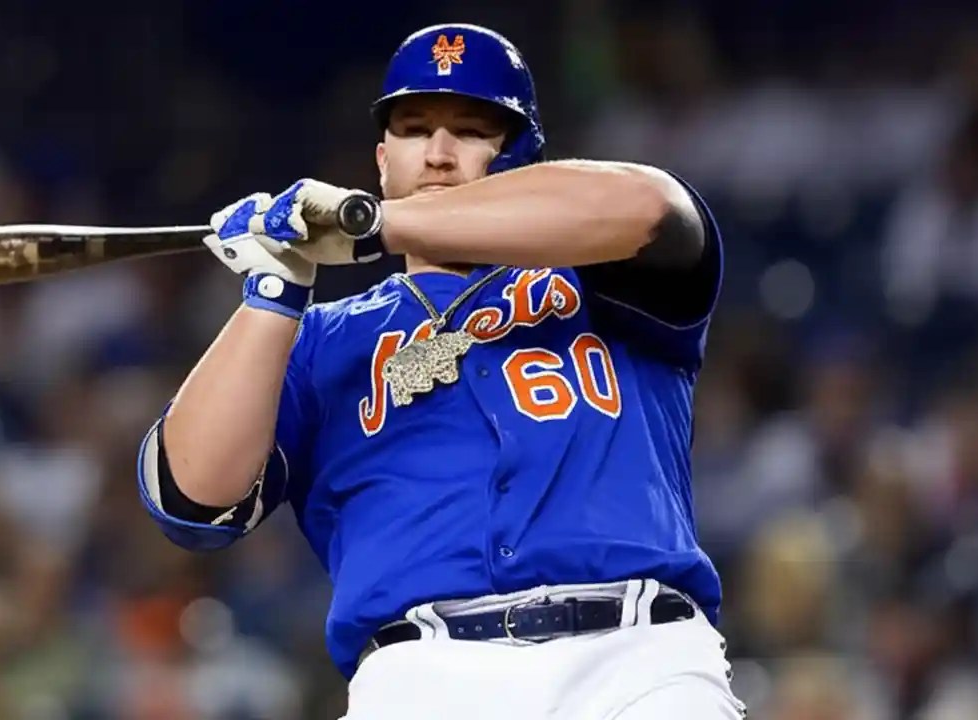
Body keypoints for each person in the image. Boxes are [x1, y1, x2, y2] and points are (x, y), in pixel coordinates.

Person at [137, 23, 744, 719]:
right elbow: (192, 498)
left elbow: (650, 210)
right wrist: (274, 290)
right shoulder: (320, 341)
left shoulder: (603, 279)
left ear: (522, 157)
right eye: (414, 127)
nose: (439, 152)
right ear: (381, 158)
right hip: (422, 675)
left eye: (473, 129)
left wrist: (381, 226)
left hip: (637, 659)